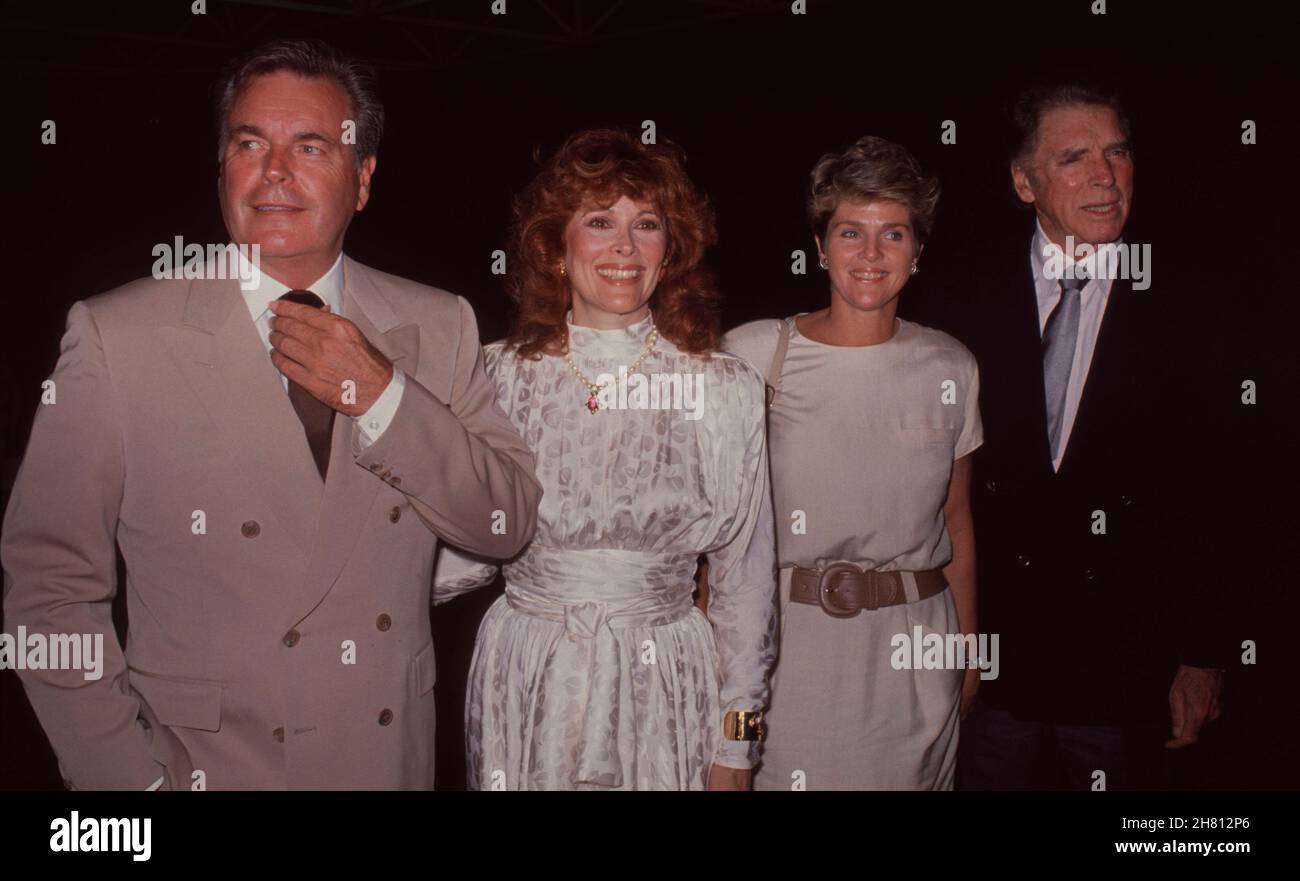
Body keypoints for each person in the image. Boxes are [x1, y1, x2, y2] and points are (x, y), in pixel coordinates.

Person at [0, 39, 542, 790]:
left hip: (383, 765)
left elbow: (503, 523)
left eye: (311, 146)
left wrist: (384, 396)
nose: (275, 171)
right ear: (221, 168)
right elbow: (48, 594)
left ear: (363, 180)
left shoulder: (438, 322)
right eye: (249, 143)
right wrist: (131, 783)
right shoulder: (117, 335)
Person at [433, 128, 778, 791]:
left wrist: (740, 748)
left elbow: (749, 586)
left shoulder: (725, 386)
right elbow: (464, 550)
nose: (624, 245)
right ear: (555, 248)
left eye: (645, 224)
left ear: (668, 250)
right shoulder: (495, 375)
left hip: (666, 681)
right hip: (527, 672)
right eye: (599, 221)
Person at [904, 82, 1226, 789]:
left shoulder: (1192, 298)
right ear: (1025, 182)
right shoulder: (958, 295)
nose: (1106, 177)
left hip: (1126, 676)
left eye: (1117, 152)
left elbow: (1219, 488)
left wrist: (1202, 654)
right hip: (990, 672)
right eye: (1075, 157)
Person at [724, 136, 981, 790]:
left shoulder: (952, 365)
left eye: (892, 233)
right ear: (819, 245)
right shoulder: (755, 354)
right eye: (850, 232)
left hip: (912, 661)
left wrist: (967, 658)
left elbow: (957, 522)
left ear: (918, 251)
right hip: (785, 660)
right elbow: (716, 538)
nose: (870, 254)